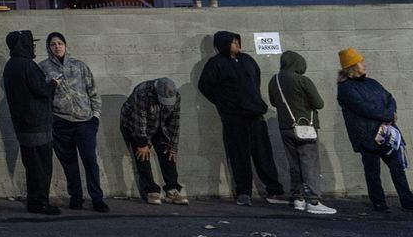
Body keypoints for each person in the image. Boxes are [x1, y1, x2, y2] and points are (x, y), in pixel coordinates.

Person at [197, 30, 288, 207]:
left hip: (255, 114)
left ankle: (274, 191)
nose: (237, 45)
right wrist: (224, 104)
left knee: (263, 154)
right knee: (239, 156)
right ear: (223, 45)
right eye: (233, 42)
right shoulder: (215, 64)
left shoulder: (247, 60)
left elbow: (256, 81)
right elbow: (205, 86)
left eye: (237, 41)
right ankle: (243, 192)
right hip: (234, 119)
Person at [335, 49, 413, 213]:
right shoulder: (345, 88)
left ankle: (407, 200)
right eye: (360, 62)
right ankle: (379, 202)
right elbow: (363, 108)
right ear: (352, 66)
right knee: (372, 171)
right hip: (367, 136)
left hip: (386, 133)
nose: (364, 65)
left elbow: (389, 97)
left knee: (397, 167)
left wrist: (391, 113)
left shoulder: (372, 82)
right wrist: (387, 114)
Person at [41, 31, 107, 212]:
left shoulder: (80, 66)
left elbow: (92, 90)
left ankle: (97, 198)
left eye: (60, 43)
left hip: (85, 121)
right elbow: (42, 95)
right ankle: (76, 196)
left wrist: (96, 116)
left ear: (66, 45)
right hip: (61, 122)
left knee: (89, 159)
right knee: (68, 162)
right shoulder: (43, 68)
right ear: (49, 47)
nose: (57, 46)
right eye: (53, 44)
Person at [268, 50, 336, 215]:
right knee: (309, 163)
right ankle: (313, 200)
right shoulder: (302, 80)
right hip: (305, 127)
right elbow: (318, 103)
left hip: (285, 127)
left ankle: (298, 198)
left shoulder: (274, 80)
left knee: (294, 164)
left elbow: (273, 102)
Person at [2, 31, 58, 216]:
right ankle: (40, 203)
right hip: (37, 125)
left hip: (23, 126)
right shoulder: (27, 65)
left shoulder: (10, 66)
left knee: (32, 167)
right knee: (42, 167)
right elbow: (41, 90)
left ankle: (35, 201)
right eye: (30, 43)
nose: (33, 46)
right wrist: (53, 84)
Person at [120, 77, 188, 205]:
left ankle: (172, 189)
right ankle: (151, 191)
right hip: (134, 125)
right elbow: (139, 119)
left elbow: (174, 122)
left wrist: (173, 145)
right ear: (156, 92)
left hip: (159, 125)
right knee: (142, 155)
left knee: (169, 153)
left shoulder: (176, 95)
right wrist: (142, 143)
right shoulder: (142, 92)